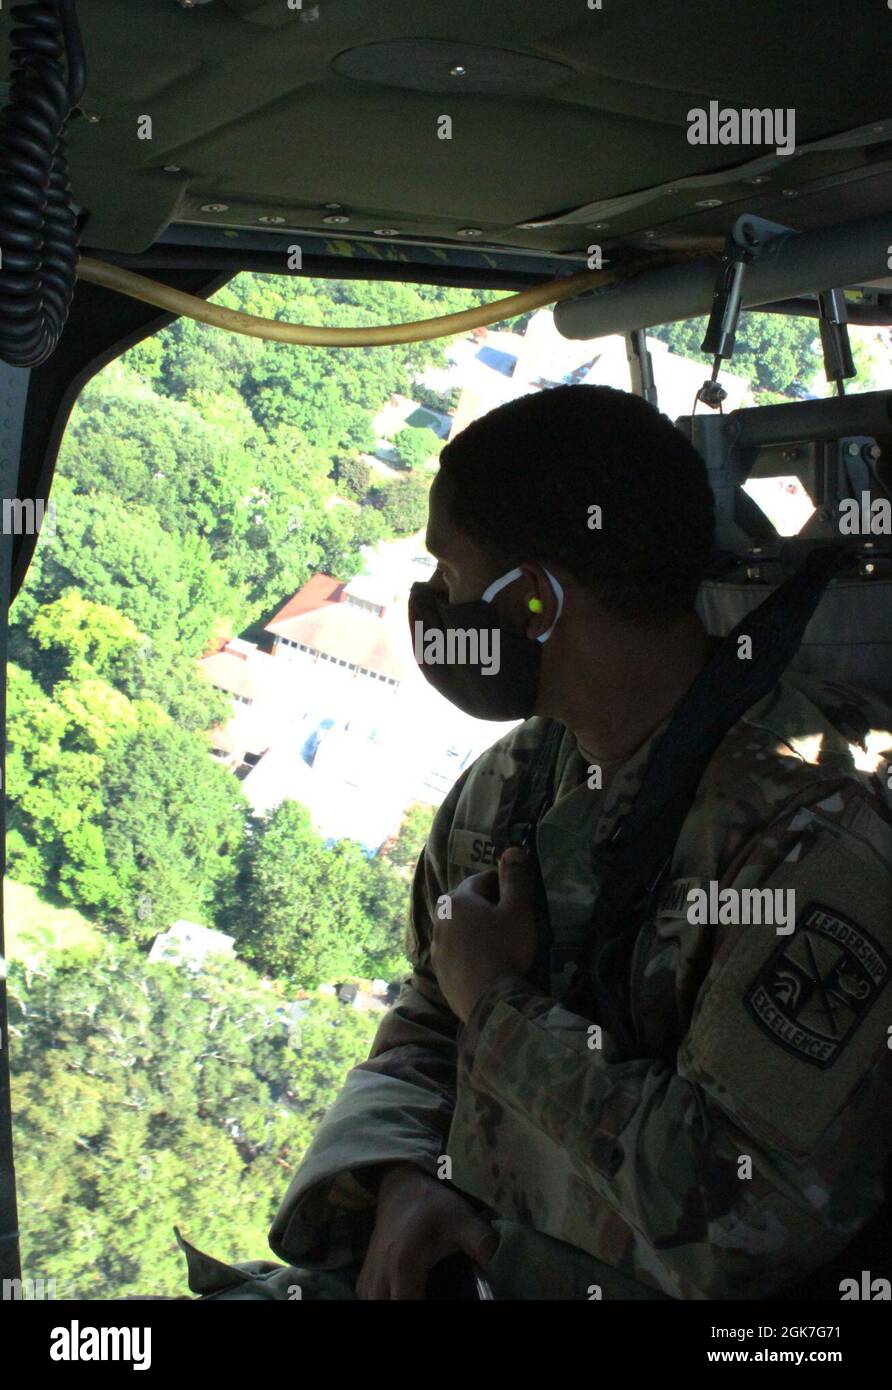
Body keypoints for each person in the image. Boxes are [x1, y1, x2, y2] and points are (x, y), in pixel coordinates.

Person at [175, 384, 892, 1301]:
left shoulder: (815, 845)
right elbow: (426, 1023)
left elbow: (739, 1216)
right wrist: (402, 1180)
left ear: (535, 603)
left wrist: (501, 1007)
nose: (431, 604)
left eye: (449, 573)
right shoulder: (510, 785)